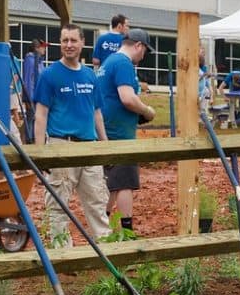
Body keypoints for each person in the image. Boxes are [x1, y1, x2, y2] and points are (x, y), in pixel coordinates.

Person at [33, 23, 111, 247]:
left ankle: (107, 252)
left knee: (98, 203)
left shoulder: (90, 75)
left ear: (82, 43)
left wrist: (105, 146)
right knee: (58, 206)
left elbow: (97, 113)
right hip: (61, 145)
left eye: (73, 40)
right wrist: (40, 153)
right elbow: (40, 115)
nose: (68, 45)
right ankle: (62, 256)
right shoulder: (49, 75)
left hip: (89, 147)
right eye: (64, 40)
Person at [96, 28, 156, 232]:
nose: (143, 56)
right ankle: (126, 231)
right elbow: (128, 98)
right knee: (125, 183)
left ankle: (102, 225)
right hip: (119, 134)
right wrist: (147, 111)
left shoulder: (109, 62)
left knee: (112, 183)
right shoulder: (123, 63)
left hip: (107, 130)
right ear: (138, 46)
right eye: (145, 51)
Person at [22, 38, 47, 143]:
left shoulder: (39, 61)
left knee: (37, 118)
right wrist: (28, 97)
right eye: (43, 47)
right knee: (31, 117)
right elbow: (28, 80)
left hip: (39, 96)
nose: (44, 49)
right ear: (37, 48)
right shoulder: (30, 60)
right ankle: (29, 139)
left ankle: (35, 138)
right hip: (32, 96)